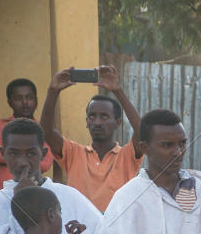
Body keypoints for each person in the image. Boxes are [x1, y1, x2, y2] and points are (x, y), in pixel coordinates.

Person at [0, 118, 101, 234]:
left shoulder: (70, 197)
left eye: (31, 154)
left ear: (43, 153)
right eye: (14, 153)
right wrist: (22, 204)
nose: (22, 162)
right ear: (3, 153)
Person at [40, 65, 144, 212]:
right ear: (87, 122)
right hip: (80, 230)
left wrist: (118, 91)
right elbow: (45, 133)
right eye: (92, 116)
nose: (97, 122)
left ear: (118, 122)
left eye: (104, 116)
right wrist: (53, 91)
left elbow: (143, 133)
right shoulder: (74, 153)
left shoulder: (127, 156)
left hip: (115, 229)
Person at [0, 79, 52, 199]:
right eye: (18, 98)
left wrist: (13, 155)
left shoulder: (42, 130)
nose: (25, 102)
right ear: (9, 102)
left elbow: (45, 164)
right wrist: (30, 156)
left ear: (36, 100)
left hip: (30, 194)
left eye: (29, 98)